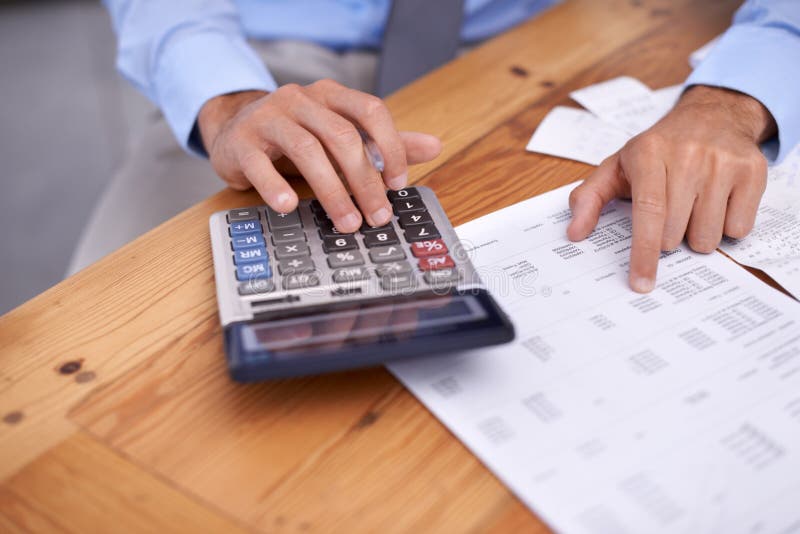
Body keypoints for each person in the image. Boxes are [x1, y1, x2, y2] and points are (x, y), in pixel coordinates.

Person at [79, 0, 799, 295]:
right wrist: (224, 99)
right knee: (120, 327)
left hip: (543, 46)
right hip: (259, 61)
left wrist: (735, 99)